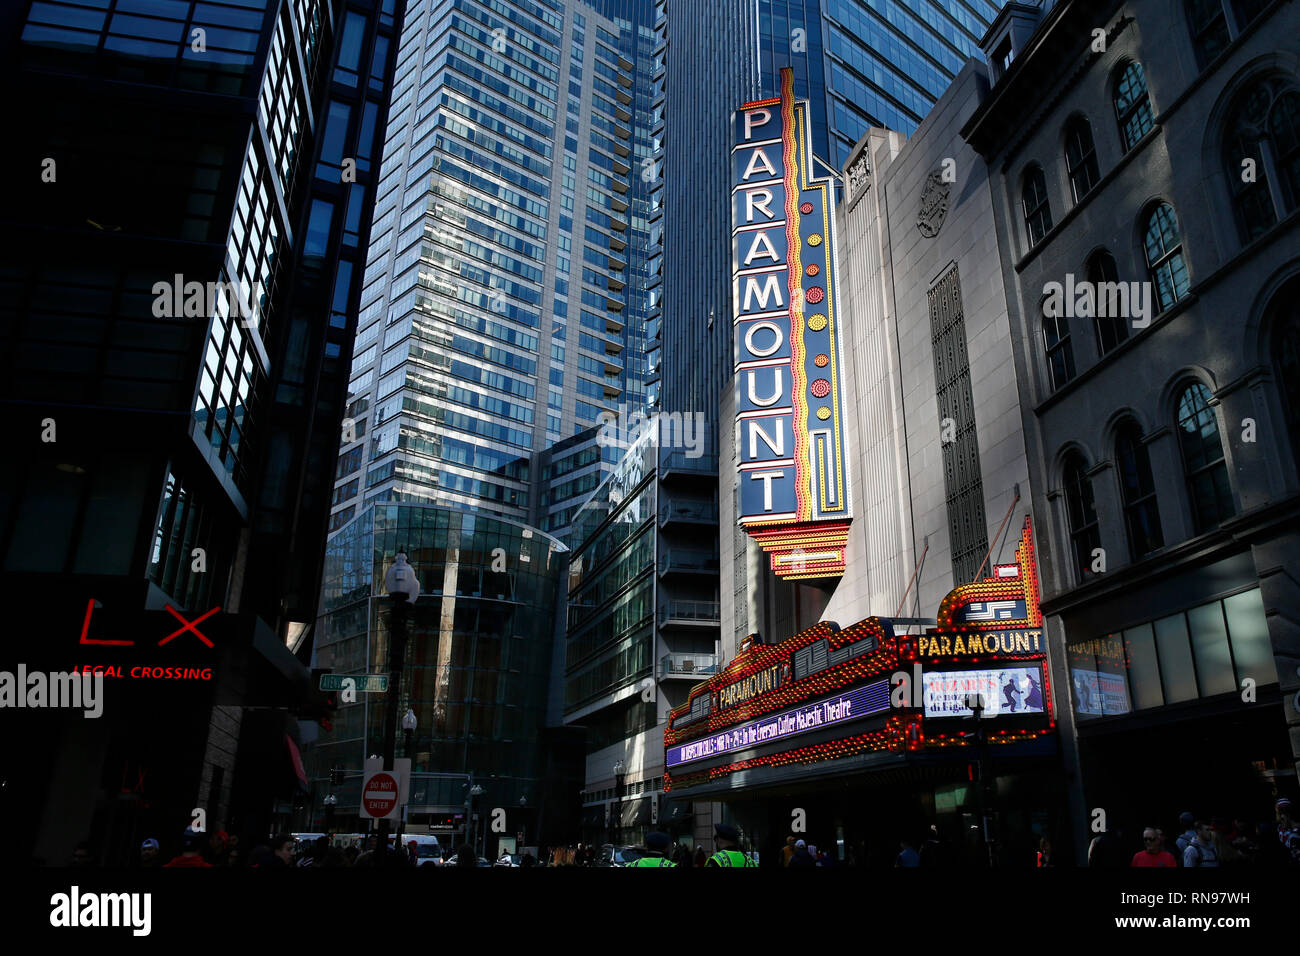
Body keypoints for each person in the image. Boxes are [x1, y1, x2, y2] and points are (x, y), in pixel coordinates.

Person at [1276, 798, 1300, 866]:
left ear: (1287, 814)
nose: (1279, 819)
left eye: (1280, 814)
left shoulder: (1295, 834)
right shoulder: (1281, 828)